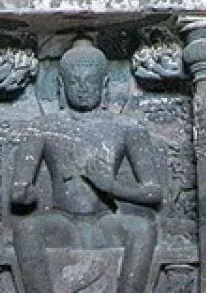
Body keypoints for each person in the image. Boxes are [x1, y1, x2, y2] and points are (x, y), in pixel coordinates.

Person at [10, 39, 162, 293]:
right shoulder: (42, 126)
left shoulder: (127, 128)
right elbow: (19, 190)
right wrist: (24, 193)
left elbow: (153, 192)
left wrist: (111, 187)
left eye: (90, 82)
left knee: (144, 229)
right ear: (61, 84)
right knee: (26, 229)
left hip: (105, 221)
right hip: (61, 220)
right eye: (74, 82)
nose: (82, 89)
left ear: (104, 85)